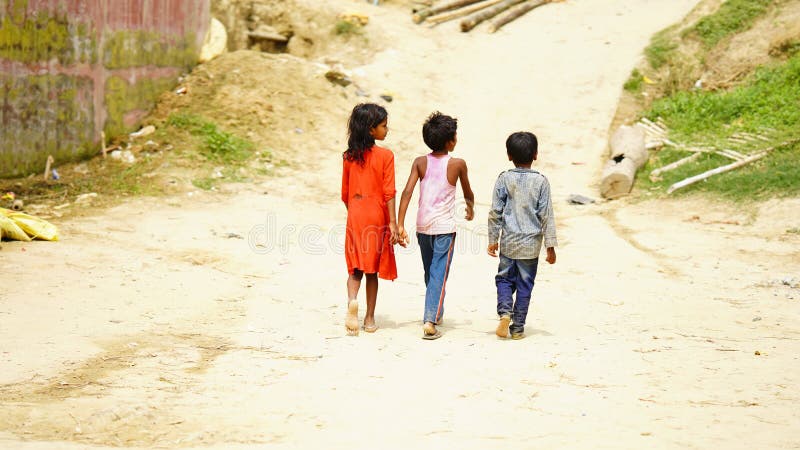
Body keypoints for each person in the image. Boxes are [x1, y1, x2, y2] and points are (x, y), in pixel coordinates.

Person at [398, 112, 474, 340]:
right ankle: (430, 320)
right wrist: (470, 208)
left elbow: (407, 192)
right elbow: (468, 192)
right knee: (438, 273)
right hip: (444, 228)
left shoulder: (420, 162)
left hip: (422, 226)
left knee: (430, 272)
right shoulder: (457, 164)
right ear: (451, 141)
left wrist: (400, 223)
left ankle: (435, 312)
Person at [487, 131, 557, 340]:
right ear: (535, 154)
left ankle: (504, 312)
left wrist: (493, 239)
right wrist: (550, 246)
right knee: (525, 285)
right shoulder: (541, 182)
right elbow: (547, 215)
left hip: (509, 243)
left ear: (509, 155)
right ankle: (517, 328)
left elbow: (495, 212)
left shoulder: (504, 178)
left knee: (504, 279)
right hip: (531, 246)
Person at [342, 103, 399, 336]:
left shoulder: (349, 157)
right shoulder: (386, 156)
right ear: (371, 129)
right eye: (384, 126)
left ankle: (352, 301)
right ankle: (369, 318)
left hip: (355, 214)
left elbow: (345, 194)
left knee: (355, 267)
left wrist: (355, 211)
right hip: (376, 215)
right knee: (372, 270)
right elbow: (389, 192)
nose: (387, 129)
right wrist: (393, 223)